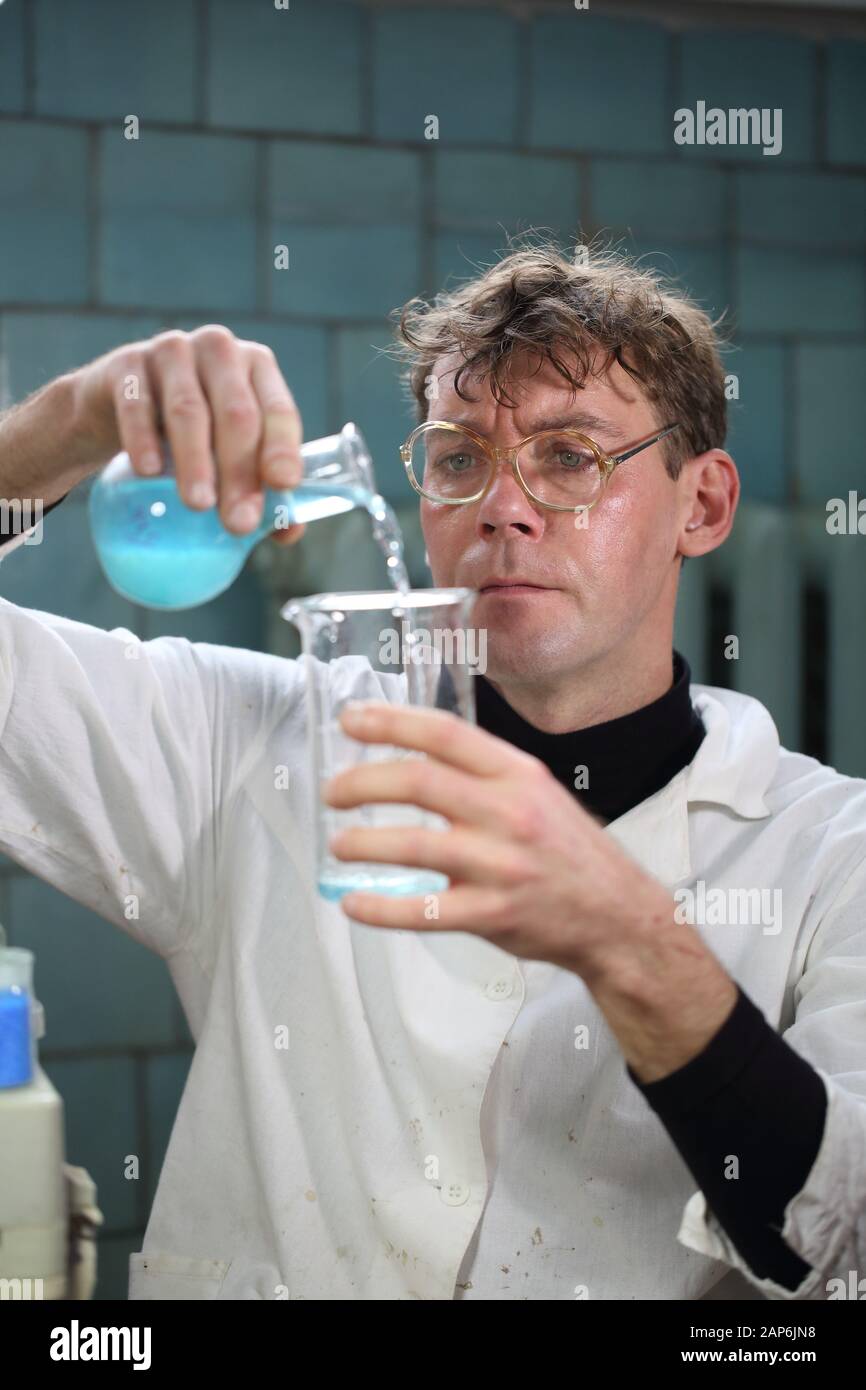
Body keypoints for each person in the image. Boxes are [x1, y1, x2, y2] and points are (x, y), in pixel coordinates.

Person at [0, 243, 862, 1301]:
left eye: (568, 456)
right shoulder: (256, 746)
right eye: (458, 458)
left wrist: (626, 940)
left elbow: (844, 1242)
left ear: (703, 505)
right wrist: (73, 425)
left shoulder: (830, 855)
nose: (502, 507)